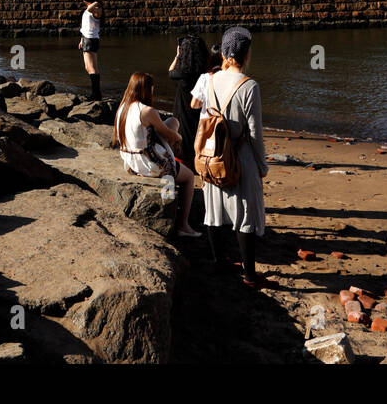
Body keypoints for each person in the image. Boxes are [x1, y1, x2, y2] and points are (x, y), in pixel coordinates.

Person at [197, 26, 271, 288]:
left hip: (214, 156)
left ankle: (219, 263)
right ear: (246, 54)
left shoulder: (209, 79)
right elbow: (255, 133)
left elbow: (204, 119)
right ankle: (249, 275)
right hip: (240, 158)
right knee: (246, 215)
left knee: (214, 211)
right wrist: (262, 166)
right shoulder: (249, 86)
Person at [114, 71, 199, 238]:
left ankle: (173, 175)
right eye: (151, 88)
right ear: (146, 90)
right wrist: (179, 138)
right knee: (189, 177)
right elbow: (170, 135)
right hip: (149, 163)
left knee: (173, 121)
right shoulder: (147, 111)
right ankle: (183, 225)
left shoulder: (123, 106)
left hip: (131, 161)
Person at [168, 32, 209, 163]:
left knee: (184, 133)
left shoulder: (182, 72)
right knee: (199, 131)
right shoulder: (205, 70)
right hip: (199, 106)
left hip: (183, 108)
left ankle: (187, 160)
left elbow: (170, 71)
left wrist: (178, 56)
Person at [78, 0, 102, 100]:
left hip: (91, 39)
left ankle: (96, 94)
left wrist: (96, 1)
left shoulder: (97, 9)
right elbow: (85, 26)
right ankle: (95, 93)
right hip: (86, 39)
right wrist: (81, 40)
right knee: (88, 67)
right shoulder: (90, 9)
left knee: (92, 68)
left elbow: (89, 8)